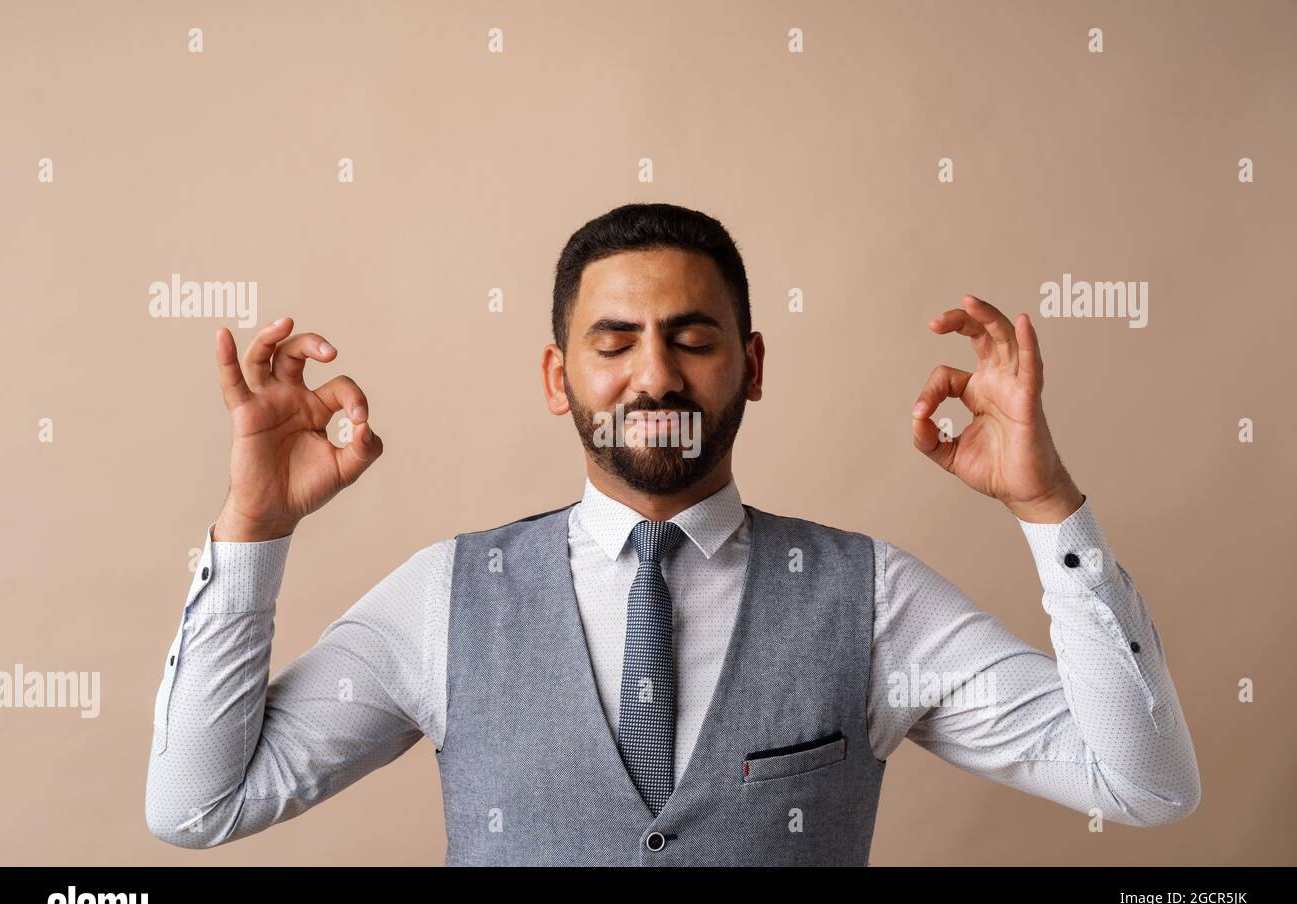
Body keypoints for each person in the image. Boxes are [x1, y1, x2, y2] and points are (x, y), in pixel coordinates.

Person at [144, 203, 1200, 865]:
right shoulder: (444, 597)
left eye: (692, 338)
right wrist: (252, 526)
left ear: (750, 364)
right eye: (615, 342)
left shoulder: (869, 596)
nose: (654, 373)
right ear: (560, 379)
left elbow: (1144, 786)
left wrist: (1047, 505)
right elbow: (197, 805)